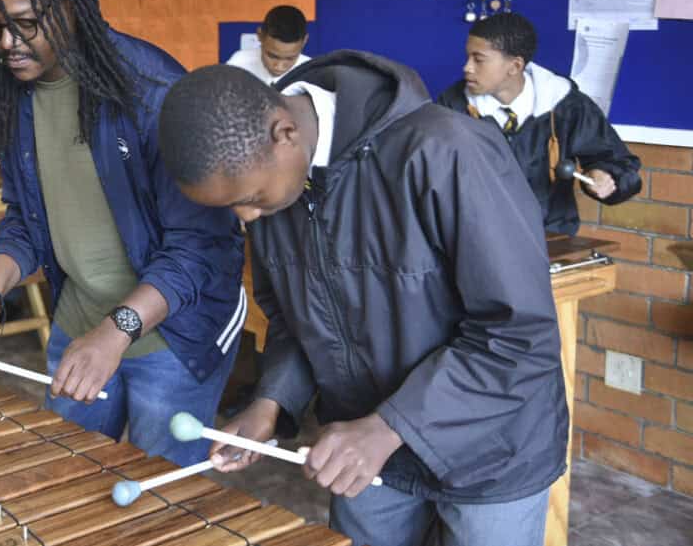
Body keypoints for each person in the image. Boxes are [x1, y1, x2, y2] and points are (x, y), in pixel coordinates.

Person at [157, 56, 568, 546]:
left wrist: (390, 426)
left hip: (491, 451)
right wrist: (272, 402)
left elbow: (518, 334)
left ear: (284, 132)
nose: (247, 216)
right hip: (367, 448)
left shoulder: (446, 151)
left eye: (251, 197)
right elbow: (296, 321)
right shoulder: (279, 192)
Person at [0, 0, 245, 467]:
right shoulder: (18, 93)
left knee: (160, 508)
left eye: (26, 22)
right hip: (80, 320)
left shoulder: (154, 94)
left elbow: (202, 246)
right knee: (67, 479)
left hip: (173, 337)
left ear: (69, 4)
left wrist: (118, 332)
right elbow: (27, 219)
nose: (8, 43)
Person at [436, 13, 642, 235]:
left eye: (479, 59)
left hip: (549, 236)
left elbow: (621, 164)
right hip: (476, 237)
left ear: (514, 66)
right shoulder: (451, 108)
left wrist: (607, 176)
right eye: (467, 57)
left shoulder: (566, 105)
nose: (467, 67)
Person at [226, 5, 311, 85]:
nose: (279, 66)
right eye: (272, 56)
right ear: (260, 36)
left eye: (290, 58)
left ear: (304, 41)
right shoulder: (238, 65)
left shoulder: (311, 73)